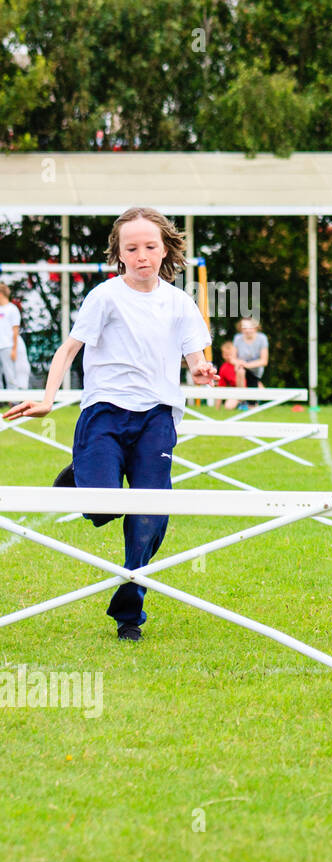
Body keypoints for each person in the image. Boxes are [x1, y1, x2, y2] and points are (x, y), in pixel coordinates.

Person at [2, 207, 216, 642]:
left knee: (148, 516)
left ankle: (129, 609)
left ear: (164, 249)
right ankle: (80, 476)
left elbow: (196, 356)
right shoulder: (105, 296)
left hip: (157, 416)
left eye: (150, 247)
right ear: (119, 254)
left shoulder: (180, 303)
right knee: (102, 506)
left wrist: (201, 371)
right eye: (131, 248)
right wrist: (47, 399)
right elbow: (68, 350)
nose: (141, 256)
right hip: (104, 412)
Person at [0, 283, 30, 389]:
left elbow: (15, 330)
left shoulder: (12, 309)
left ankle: (13, 400)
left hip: (7, 346)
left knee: (10, 375)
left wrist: (14, 349)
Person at [234, 317, 269, 390]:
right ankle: (241, 397)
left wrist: (247, 365)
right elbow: (233, 358)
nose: (247, 330)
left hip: (255, 371)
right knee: (241, 371)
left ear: (255, 327)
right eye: (244, 328)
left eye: (250, 327)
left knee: (255, 388)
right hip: (240, 369)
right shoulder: (237, 338)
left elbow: (264, 361)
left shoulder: (262, 338)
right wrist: (239, 363)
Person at [216, 340, 246, 408]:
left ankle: (247, 403)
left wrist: (236, 364)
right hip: (236, 392)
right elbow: (221, 387)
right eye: (226, 355)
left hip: (250, 389)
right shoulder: (223, 368)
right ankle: (242, 403)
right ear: (223, 355)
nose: (229, 357)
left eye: (231, 354)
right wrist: (217, 407)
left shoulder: (243, 362)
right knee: (228, 407)